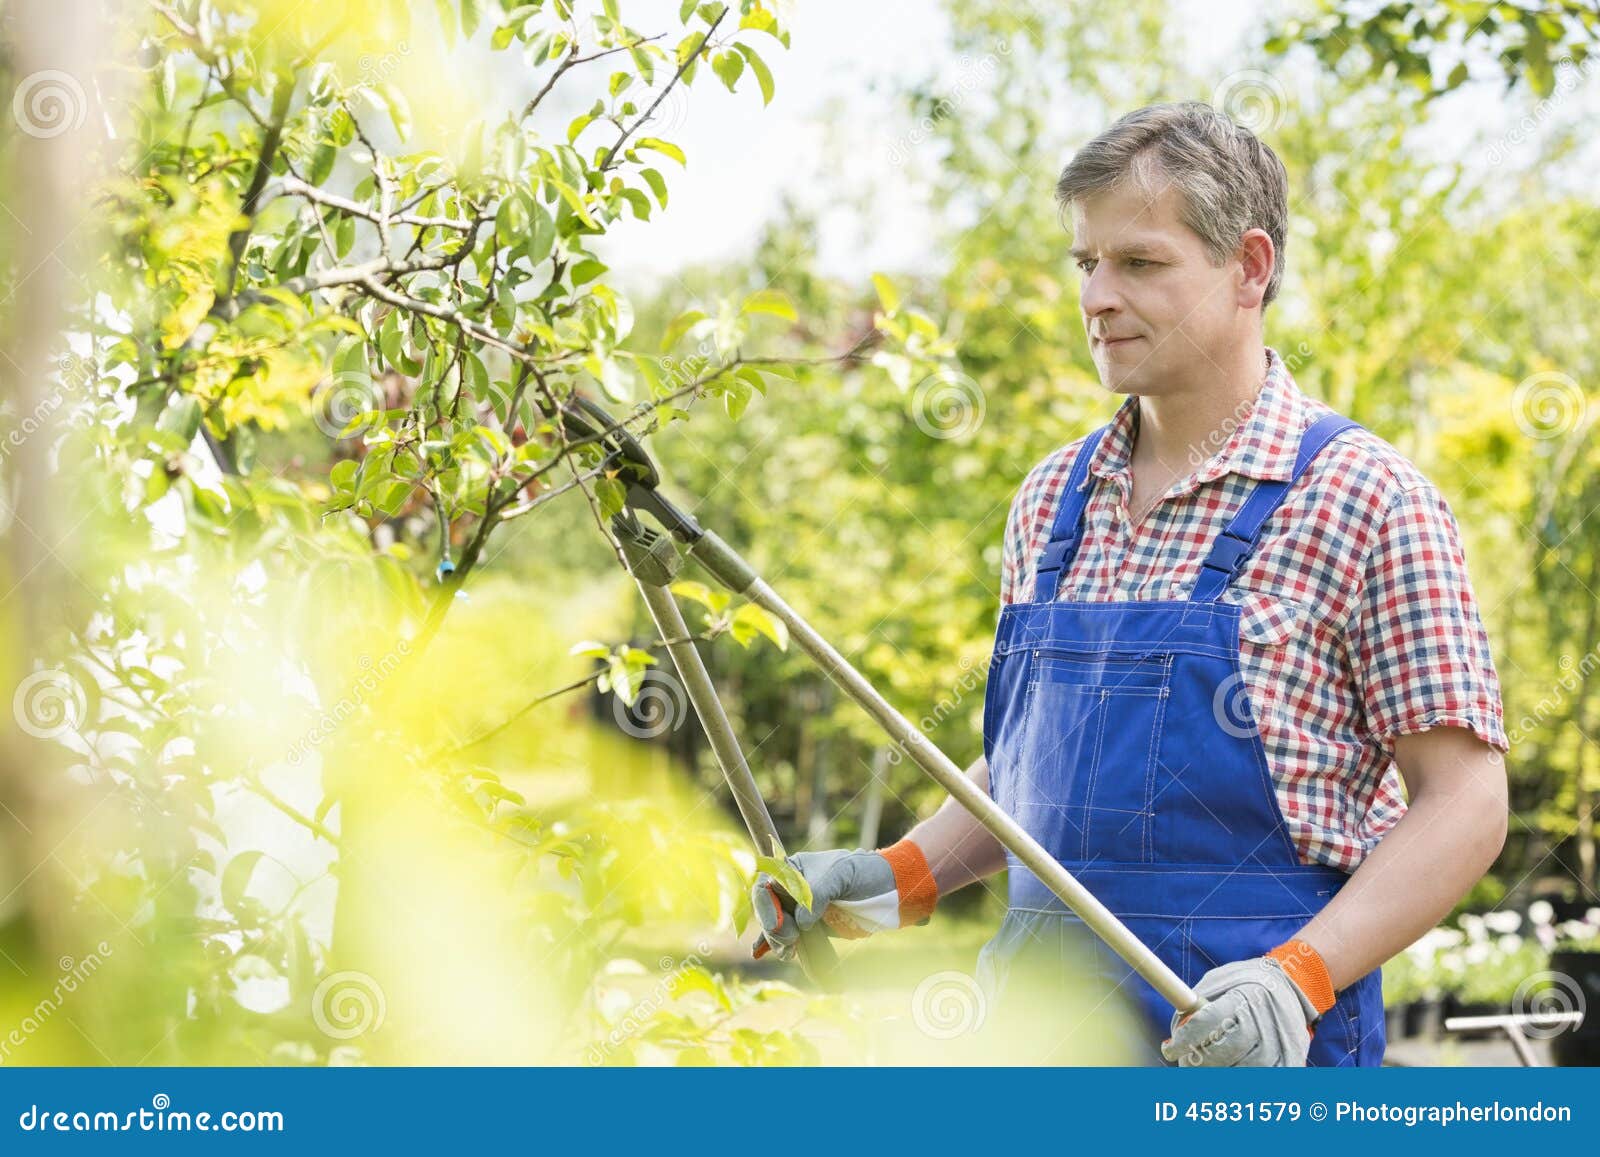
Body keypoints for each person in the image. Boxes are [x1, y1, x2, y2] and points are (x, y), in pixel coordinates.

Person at [750, 100, 1510, 1067]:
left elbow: (1466, 802)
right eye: (1086, 263)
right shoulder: (1050, 501)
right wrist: (897, 872)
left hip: (1255, 1059)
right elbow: (1038, 773)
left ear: (1249, 267)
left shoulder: (1364, 499)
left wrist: (1299, 976)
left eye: (1139, 263)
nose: (1097, 297)